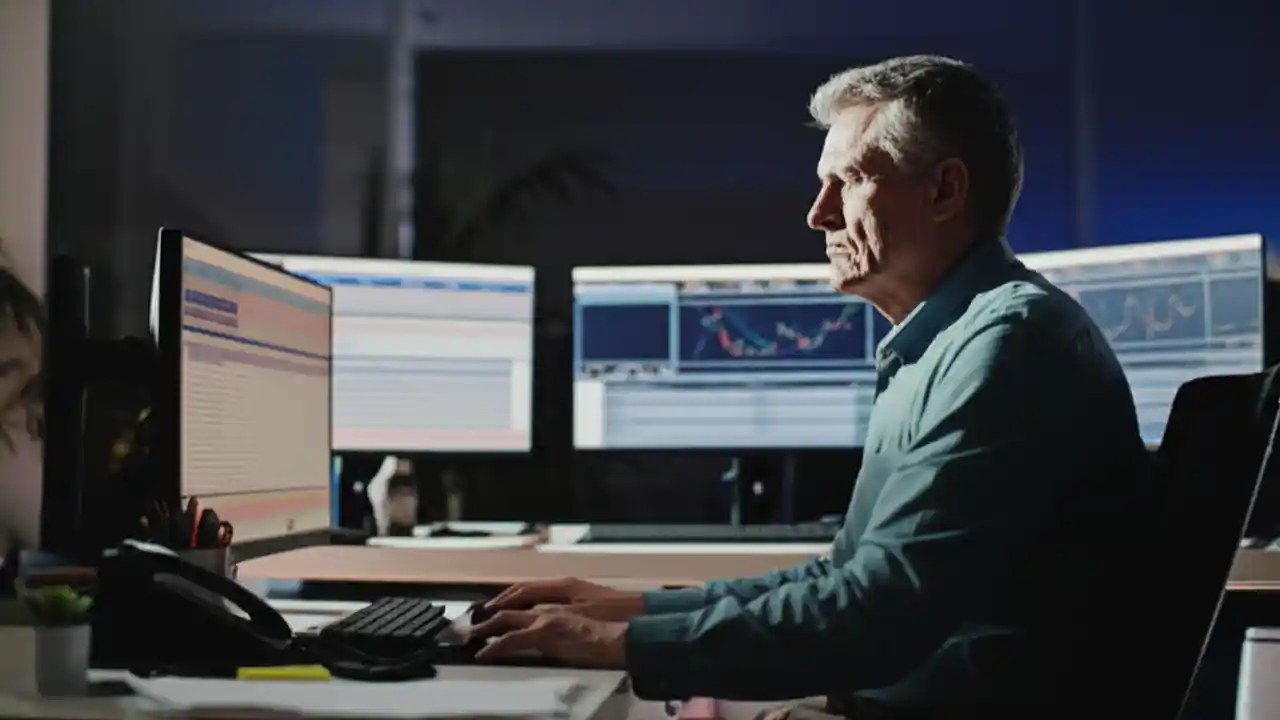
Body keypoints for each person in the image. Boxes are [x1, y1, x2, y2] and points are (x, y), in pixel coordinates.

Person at [466, 55, 1148, 716]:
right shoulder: (948, 342)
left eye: (847, 181)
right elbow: (841, 580)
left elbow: (873, 615)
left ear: (943, 190)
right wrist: (625, 607)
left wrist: (612, 642)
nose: (817, 215)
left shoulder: (1008, 347)